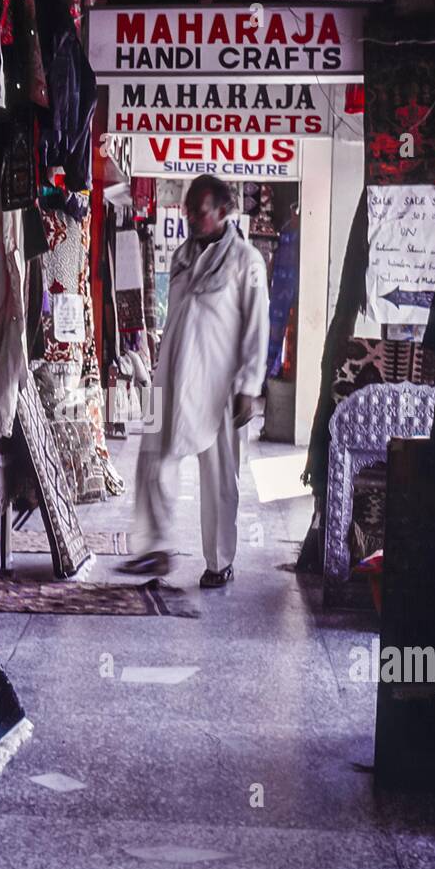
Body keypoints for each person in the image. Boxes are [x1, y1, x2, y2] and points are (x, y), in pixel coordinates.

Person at [122, 174, 269, 587]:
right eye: (187, 209)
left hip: (218, 383)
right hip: (169, 375)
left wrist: (248, 388)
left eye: (198, 211)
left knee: (220, 477)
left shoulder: (247, 262)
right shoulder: (182, 255)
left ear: (225, 211)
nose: (190, 217)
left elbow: (257, 328)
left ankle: (220, 562)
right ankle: (154, 550)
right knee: (152, 458)